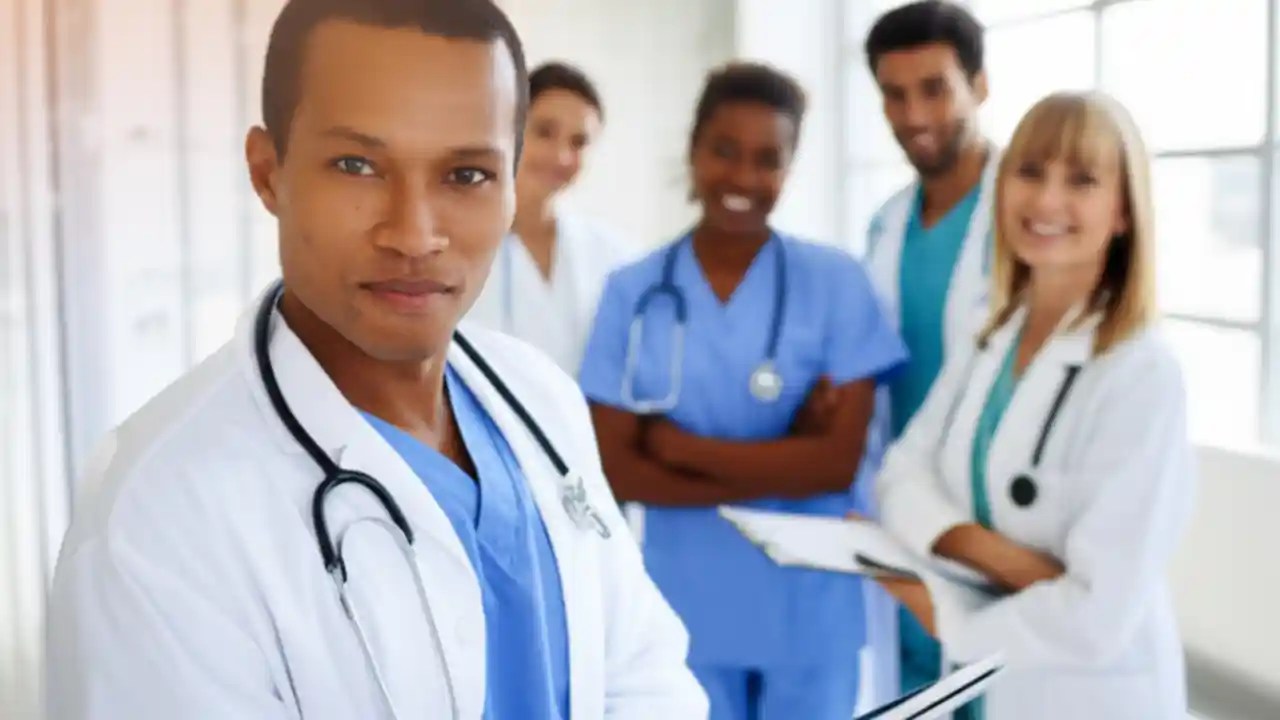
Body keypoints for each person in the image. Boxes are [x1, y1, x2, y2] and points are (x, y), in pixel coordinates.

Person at [44, 2, 708, 718]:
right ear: (268, 173)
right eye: (357, 165)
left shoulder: (540, 399)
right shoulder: (159, 518)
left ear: (515, 184)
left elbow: (644, 677)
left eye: (466, 175)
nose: (414, 234)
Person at [577, 61, 907, 720]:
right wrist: (787, 464)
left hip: (809, 609)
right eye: (724, 151)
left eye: (768, 159)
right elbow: (616, 470)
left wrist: (677, 448)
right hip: (685, 607)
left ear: (789, 168)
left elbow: (835, 463)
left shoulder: (835, 283)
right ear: (694, 150)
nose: (742, 178)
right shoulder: (634, 292)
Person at [870, 91, 1194, 719]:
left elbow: (1097, 616)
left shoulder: (1142, 373)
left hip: (1091, 693)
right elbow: (899, 476)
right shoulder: (988, 333)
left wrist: (948, 608)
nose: (1046, 200)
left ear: (1124, 210)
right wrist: (991, 553)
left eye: (1081, 180)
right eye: (1029, 171)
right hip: (997, 683)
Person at [859, 1, 995, 706]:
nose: (914, 113)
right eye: (894, 93)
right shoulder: (885, 223)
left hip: (989, 519)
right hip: (904, 507)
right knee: (914, 689)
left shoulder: (1023, 218)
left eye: (935, 88)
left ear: (980, 84)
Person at [466, 60, 634, 374]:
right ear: (508, 129)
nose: (561, 156)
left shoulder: (611, 254)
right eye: (545, 132)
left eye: (578, 142)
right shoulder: (458, 242)